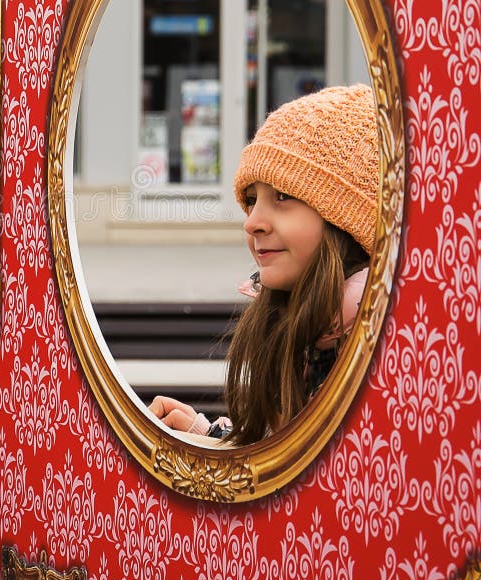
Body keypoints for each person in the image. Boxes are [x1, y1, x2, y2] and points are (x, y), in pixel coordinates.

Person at [150, 84, 378, 446]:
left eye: (283, 196)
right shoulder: (301, 325)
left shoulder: (370, 360)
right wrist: (213, 436)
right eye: (253, 199)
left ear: (346, 218)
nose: (252, 221)